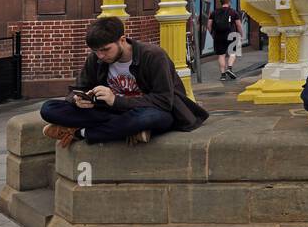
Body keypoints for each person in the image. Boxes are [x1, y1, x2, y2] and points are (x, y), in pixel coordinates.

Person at [40, 16, 209, 148]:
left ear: (122, 40)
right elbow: (76, 89)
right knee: (49, 108)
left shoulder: (153, 56)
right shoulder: (96, 59)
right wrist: (77, 99)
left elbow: (164, 101)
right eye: (96, 51)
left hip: (151, 111)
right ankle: (128, 130)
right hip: (113, 113)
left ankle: (82, 133)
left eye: (105, 49)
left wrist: (116, 101)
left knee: (148, 118)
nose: (101, 56)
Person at [207, 0, 244, 82]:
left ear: (221, 3)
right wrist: (241, 35)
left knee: (221, 55)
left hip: (218, 35)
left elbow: (209, 25)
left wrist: (212, 34)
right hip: (232, 34)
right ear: (229, 2)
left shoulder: (214, 12)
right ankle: (229, 68)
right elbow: (238, 25)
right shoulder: (233, 12)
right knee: (233, 53)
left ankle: (223, 75)